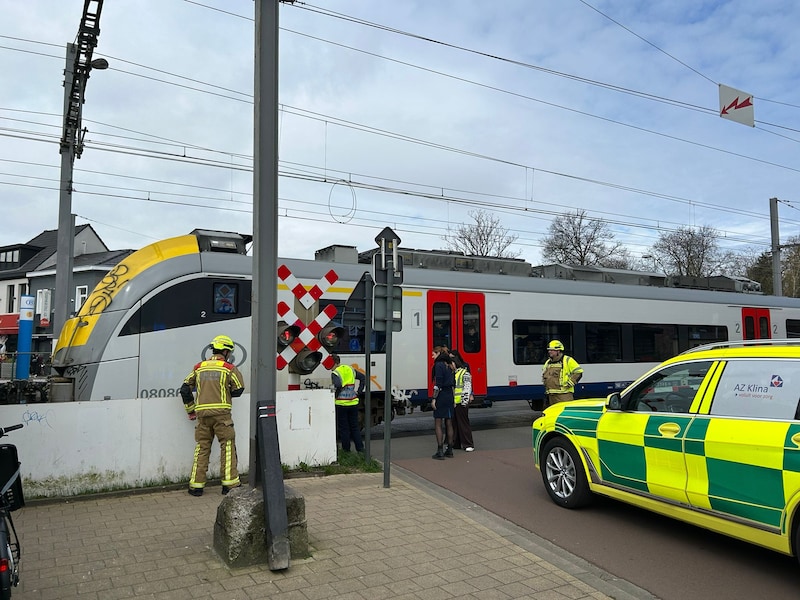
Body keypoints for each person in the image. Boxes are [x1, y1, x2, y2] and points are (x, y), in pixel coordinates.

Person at [180, 334, 245, 497]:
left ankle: (196, 486)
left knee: (202, 447)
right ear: (225, 351)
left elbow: (184, 389)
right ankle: (230, 485)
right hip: (222, 415)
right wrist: (225, 391)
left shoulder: (198, 367)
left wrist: (191, 410)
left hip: (202, 415)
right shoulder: (228, 368)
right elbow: (239, 389)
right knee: (227, 446)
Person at [331, 354, 367, 453]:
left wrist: (335, 395)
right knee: (355, 427)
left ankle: (346, 451)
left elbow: (338, 384)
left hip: (341, 404)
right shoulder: (349, 369)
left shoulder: (335, 373)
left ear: (334, 363)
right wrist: (359, 391)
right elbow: (363, 378)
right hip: (353, 402)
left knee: (344, 429)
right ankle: (360, 449)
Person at [431, 347, 456, 460]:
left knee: (438, 422)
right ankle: (450, 450)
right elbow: (453, 383)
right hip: (450, 395)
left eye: (433, 354)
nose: (432, 357)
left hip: (441, 395)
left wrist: (434, 398)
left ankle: (440, 450)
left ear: (438, 353)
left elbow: (438, 384)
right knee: (449, 422)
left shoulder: (439, 365)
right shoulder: (450, 365)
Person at [542, 339, 583, 406]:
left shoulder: (567, 360)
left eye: (552, 350)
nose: (549, 352)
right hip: (551, 395)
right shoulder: (548, 362)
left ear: (558, 351)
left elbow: (578, 372)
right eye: (549, 350)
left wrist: (569, 383)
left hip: (564, 395)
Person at [450, 350, 474, 452]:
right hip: (456, 402)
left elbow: (467, 388)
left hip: (460, 402)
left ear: (454, 363)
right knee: (455, 423)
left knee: (463, 423)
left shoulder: (464, 373)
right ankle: (456, 443)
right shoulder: (454, 373)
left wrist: (464, 401)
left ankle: (468, 444)